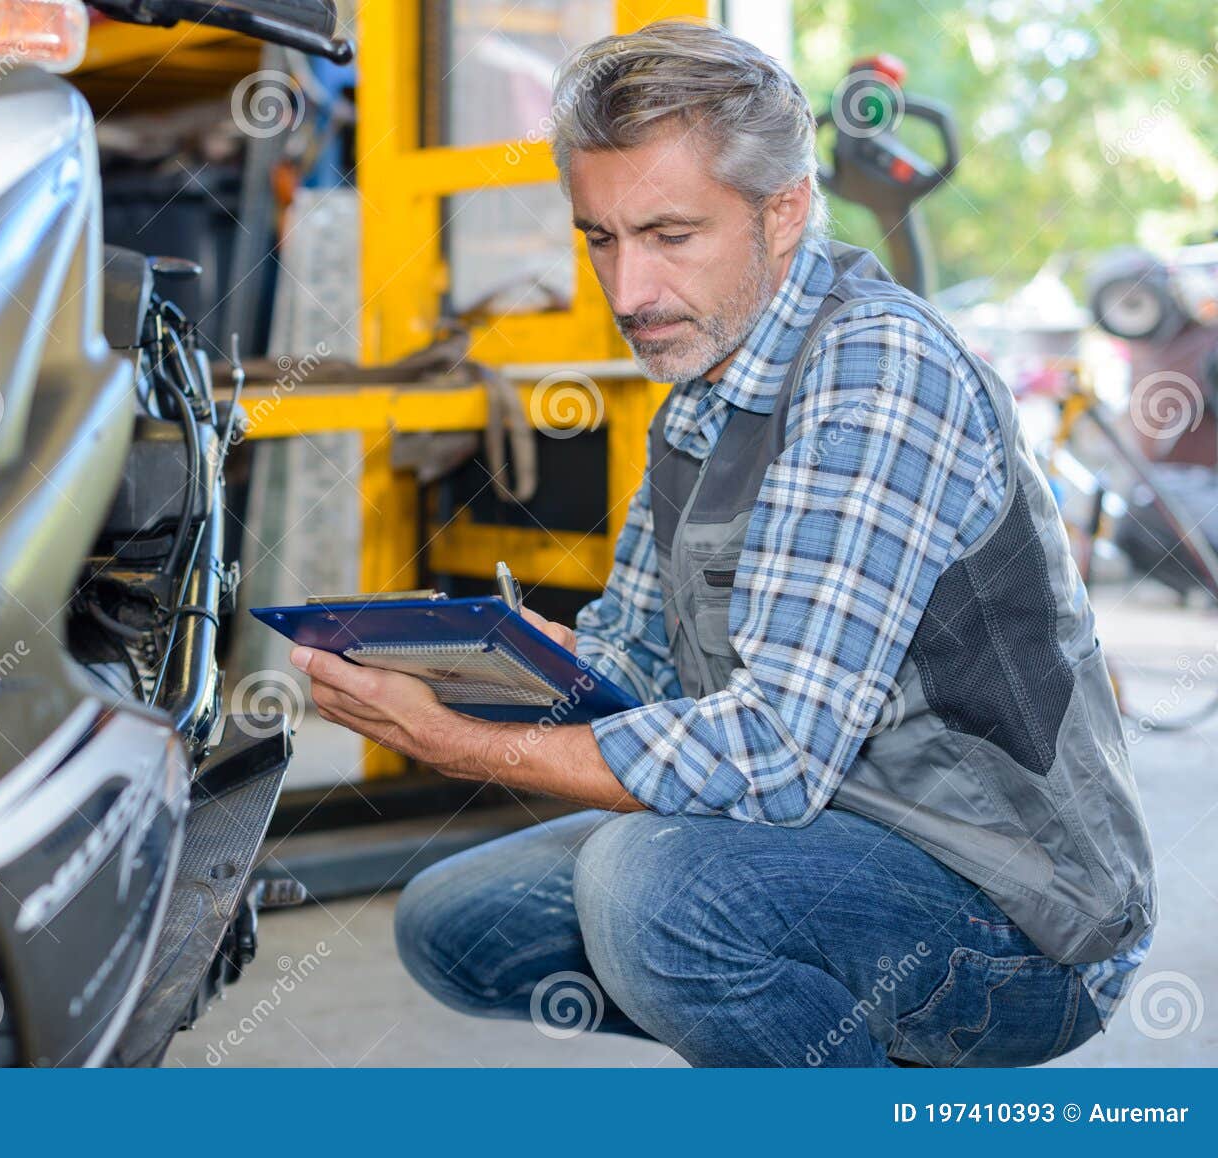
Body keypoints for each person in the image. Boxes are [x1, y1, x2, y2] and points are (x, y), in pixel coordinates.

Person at [286, 20, 1156, 1067]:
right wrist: (491, 664)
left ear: (781, 212)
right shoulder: (699, 398)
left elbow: (775, 755)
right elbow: (639, 665)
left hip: (1013, 911)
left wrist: (456, 743)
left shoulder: (875, 373)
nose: (626, 292)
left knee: (655, 893)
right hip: (824, 840)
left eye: (669, 235)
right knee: (456, 922)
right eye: (599, 239)